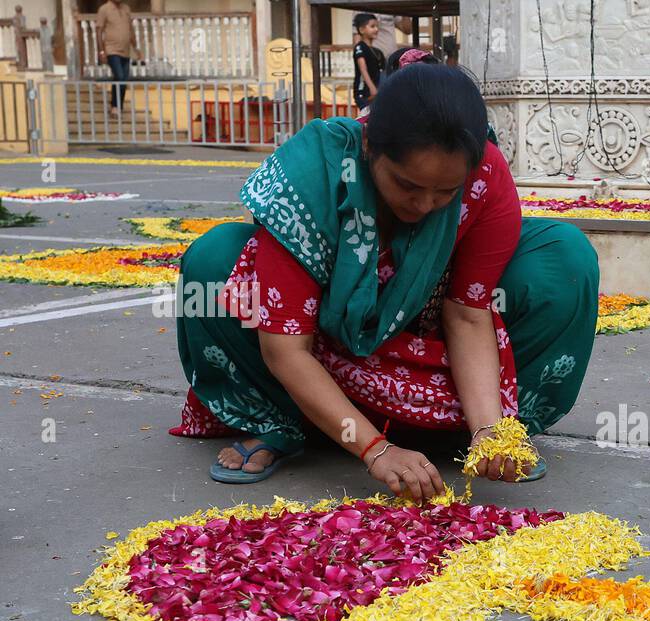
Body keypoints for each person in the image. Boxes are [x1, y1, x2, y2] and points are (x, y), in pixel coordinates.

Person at [170, 63, 599, 499]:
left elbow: (468, 315)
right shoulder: (312, 177)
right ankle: (280, 419)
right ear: (370, 144)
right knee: (213, 261)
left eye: (445, 192)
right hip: (317, 345)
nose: (426, 204)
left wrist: (490, 428)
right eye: (407, 185)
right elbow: (284, 348)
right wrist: (376, 450)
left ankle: (473, 432)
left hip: (428, 342)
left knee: (563, 257)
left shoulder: (483, 176)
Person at [95, 0, 136, 117]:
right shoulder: (104, 9)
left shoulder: (126, 8)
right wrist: (101, 51)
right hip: (111, 50)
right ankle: (114, 106)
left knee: (123, 80)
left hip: (126, 51)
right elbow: (99, 31)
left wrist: (135, 46)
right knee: (119, 76)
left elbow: (130, 27)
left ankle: (118, 107)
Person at [352, 13, 385, 110]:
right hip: (364, 92)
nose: (376, 29)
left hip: (377, 92)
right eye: (372, 26)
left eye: (377, 27)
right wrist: (372, 89)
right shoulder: (360, 47)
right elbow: (363, 69)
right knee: (367, 118)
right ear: (362, 30)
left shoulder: (378, 52)